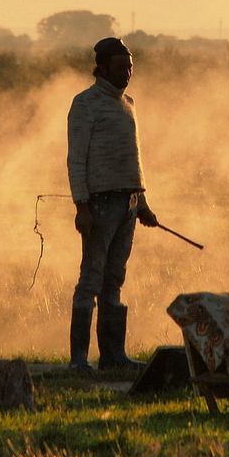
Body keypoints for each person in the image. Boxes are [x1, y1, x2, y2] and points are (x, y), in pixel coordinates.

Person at [66, 37, 159, 371]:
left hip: (129, 204)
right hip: (100, 204)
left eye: (130, 67)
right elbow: (75, 160)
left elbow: (131, 159)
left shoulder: (128, 103)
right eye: (121, 68)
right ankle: (79, 359)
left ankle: (112, 356)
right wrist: (82, 207)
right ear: (102, 68)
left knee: (114, 279)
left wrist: (142, 202)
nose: (128, 74)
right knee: (90, 279)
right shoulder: (85, 104)